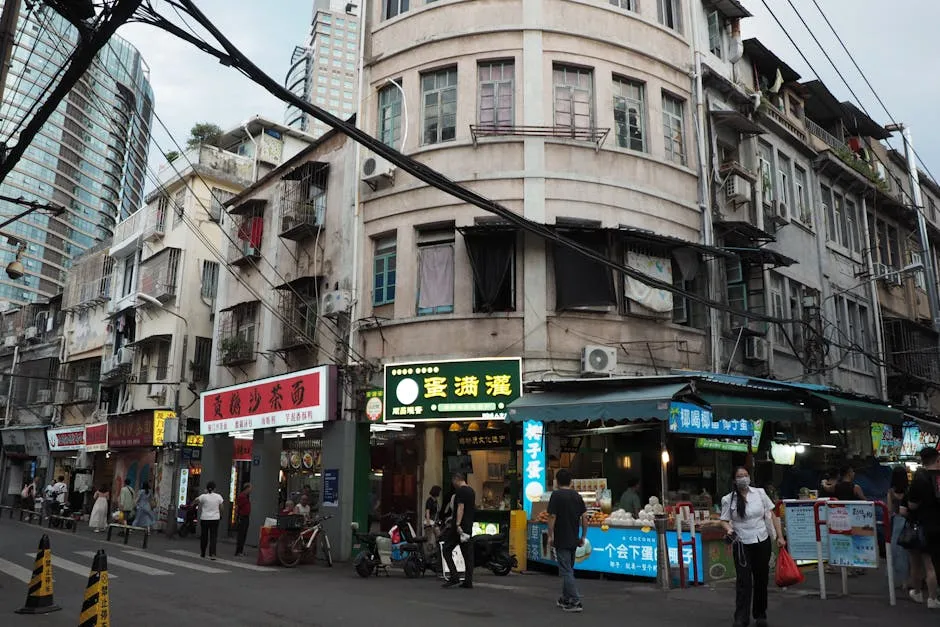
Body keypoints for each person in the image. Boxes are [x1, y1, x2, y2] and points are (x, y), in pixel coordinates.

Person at [720, 466, 785, 627]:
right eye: (740, 476)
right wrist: (729, 530)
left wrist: (780, 536)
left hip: (761, 540)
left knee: (761, 579)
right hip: (741, 543)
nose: (743, 478)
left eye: (746, 475)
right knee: (743, 581)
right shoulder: (728, 499)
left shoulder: (760, 494)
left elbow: (773, 515)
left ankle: (760, 614)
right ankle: (741, 617)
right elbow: (724, 520)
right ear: (734, 480)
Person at [548, 469, 589, 613]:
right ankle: (566, 598)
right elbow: (585, 517)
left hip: (561, 537)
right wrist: (583, 536)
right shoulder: (577, 496)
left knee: (566, 571)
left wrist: (550, 535)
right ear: (571, 481)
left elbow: (552, 516)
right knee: (569, 569)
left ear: (557, 481)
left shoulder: (556, 495)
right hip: (574, 538)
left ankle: (575, 601)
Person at [908, 447, 940, 609]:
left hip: (926, 526)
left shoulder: (919, 479)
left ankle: (928, 597)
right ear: (937, 459)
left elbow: (912, 505)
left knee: (925, 563)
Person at [441, 472, 475, 589]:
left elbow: (461, 507)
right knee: (467, 555)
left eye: (453, 482)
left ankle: (454, 576)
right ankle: (468, 581)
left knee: (446, 549)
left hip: (459, 527)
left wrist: (457, 524)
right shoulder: (471, 491)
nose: (453, 484)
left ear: (456, 480)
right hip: (468, 526)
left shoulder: (460, 491)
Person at [887, 466, 910, 591]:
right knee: (908, 552)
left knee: (897, 552)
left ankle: (900, 580)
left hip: (896, 523)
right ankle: (909, 581)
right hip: (908, 522)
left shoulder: (890, 492)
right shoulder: (909, 490)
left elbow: (889, 510)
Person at [194, 481, 225, 560]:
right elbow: (221, 507)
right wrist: (221, 514)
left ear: (207, 489)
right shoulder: (218, 496)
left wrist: (205, 494)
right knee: (213, 536)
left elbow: (195, 501)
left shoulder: (203, 496)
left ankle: (203, 553)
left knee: (204, 536)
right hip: (215, 519)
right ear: (214, 488)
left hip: (204, 518)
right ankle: (212, 554)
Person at [235, 483, 252, 557]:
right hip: (243, 517)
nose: (251, 490)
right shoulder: (242, 496)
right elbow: (238, 507)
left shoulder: (245, 496)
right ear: (247, 488)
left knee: (244, 534)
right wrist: (238, 517)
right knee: (241, 534)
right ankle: (238, 551)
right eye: (250, 488)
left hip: (245, 516)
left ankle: (240, 550)